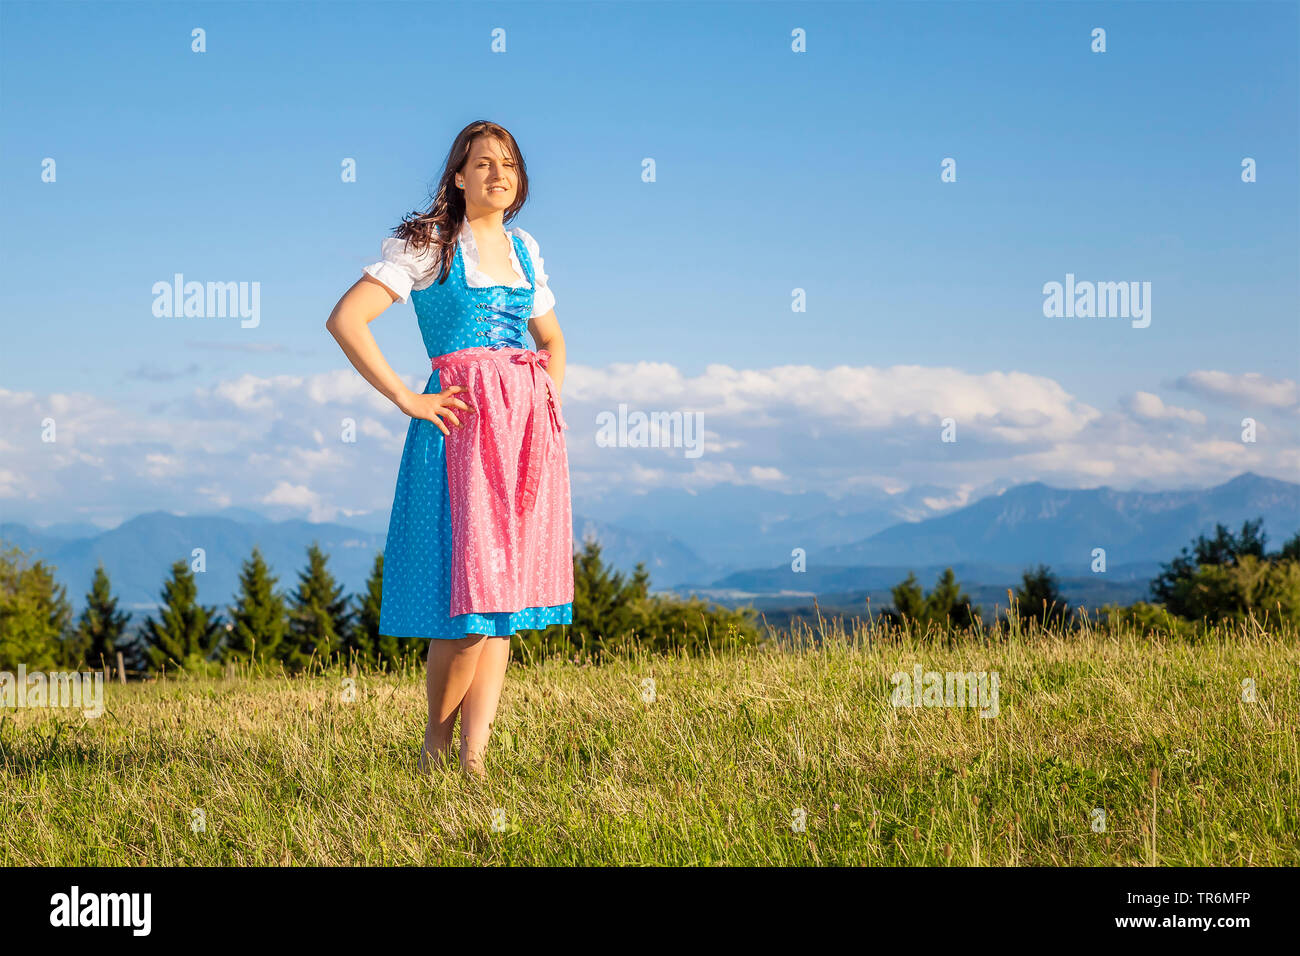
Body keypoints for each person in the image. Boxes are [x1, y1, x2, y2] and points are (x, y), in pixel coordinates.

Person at [325, 120, 573, 776]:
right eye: (483, 164)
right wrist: (409, 398)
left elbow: (553, 342)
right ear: (458, 177)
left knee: (503, 607)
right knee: (468, 603)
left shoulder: (525, 250)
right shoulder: (430, 243)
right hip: (459, 427)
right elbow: (346, 320)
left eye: (509, 165)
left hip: (523, 434)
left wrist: (541, 399)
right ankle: (434, 748)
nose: (498, 174)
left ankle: (474, 762)